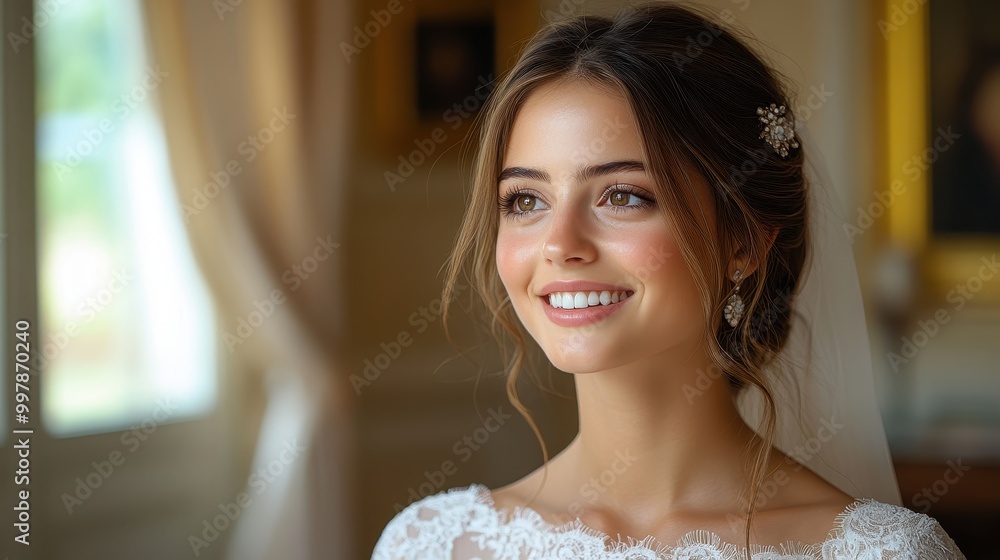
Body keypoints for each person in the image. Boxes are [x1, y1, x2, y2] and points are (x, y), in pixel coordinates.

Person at [372, 3, 967, 558]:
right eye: (525, 200)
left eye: (623, 196)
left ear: (742, 241)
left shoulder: (882, 551)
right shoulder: (430, 545)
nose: (559, 244)